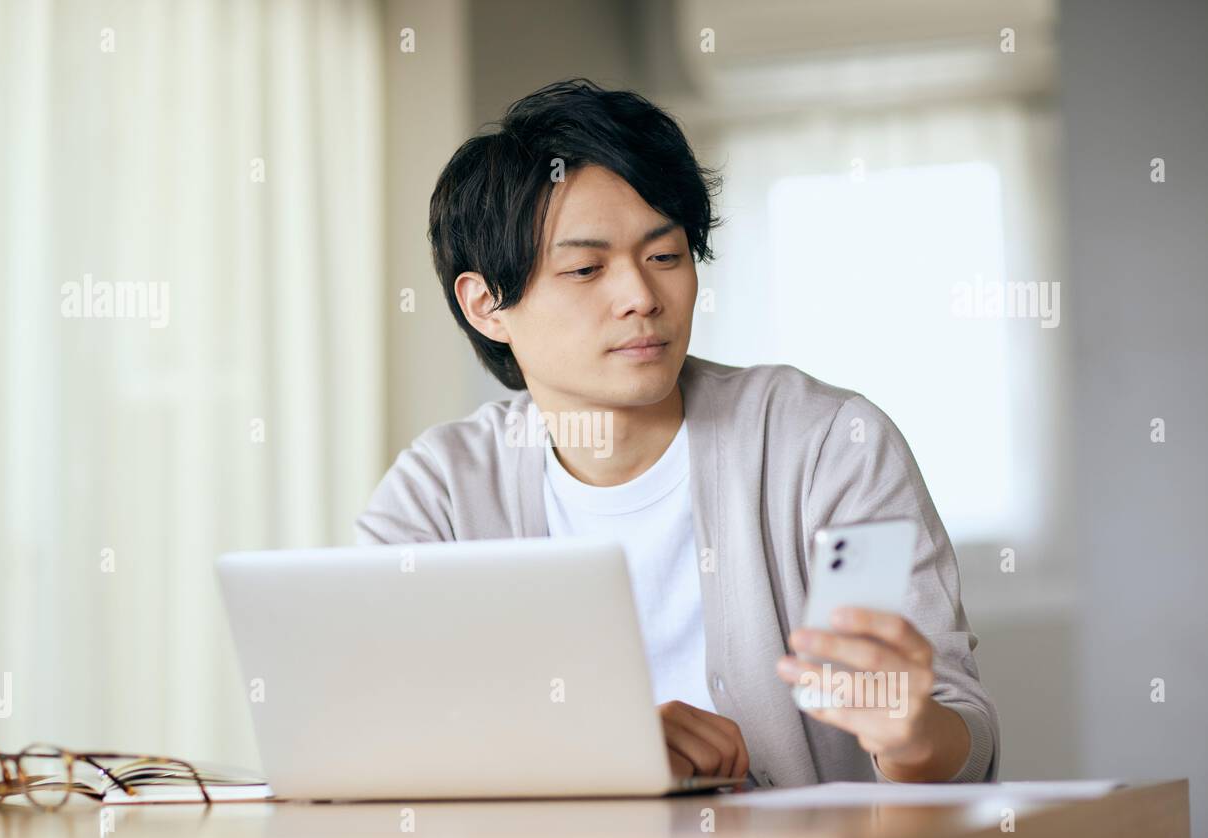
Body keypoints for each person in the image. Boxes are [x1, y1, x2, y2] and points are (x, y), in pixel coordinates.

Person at [356, 78, 1000, 787]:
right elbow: (371, 734)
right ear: (487, 306)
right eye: (586, 268)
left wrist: (909, 733)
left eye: (665, 257)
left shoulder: (823, 447)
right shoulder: (441, 491)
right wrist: (605, 749)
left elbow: (956, 734)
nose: (641, 297)